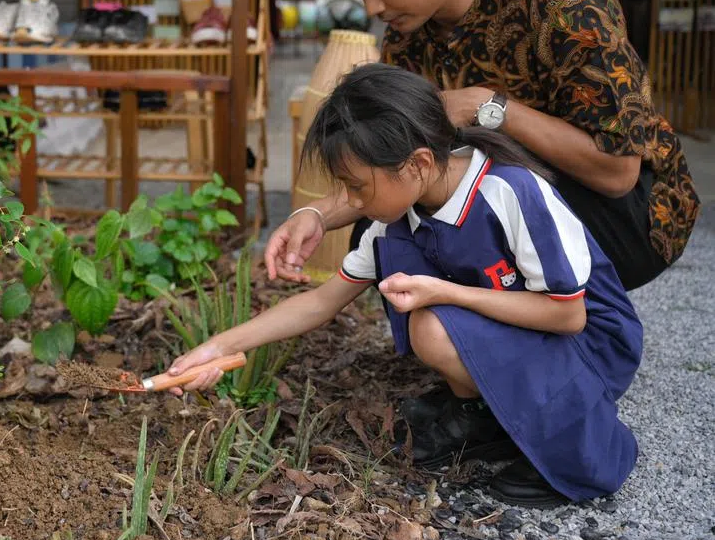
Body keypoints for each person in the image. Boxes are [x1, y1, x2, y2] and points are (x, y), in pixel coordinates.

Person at [168, 63, 644, 506]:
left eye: (357, 187)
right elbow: (320, 303)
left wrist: (446, 292)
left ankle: (550, 427)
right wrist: (218, 346)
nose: (349, 203)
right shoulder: (397, 215)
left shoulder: (510, 192)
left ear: (416, 163)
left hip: (589, 346)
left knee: (432, 323)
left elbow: (569, 314)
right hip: (530, 333)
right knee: (429, 320)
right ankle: (486, 417)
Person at [267, 0, 698, 297]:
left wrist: (488, 108)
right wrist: (316, 215)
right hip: (516, 196)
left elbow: (618, 173)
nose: (373, 6)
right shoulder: (407, 40)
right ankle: (480, 342)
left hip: (628, 216)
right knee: (383, 220)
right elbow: (394, 162)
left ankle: (556, 331)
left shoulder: (562, 0)